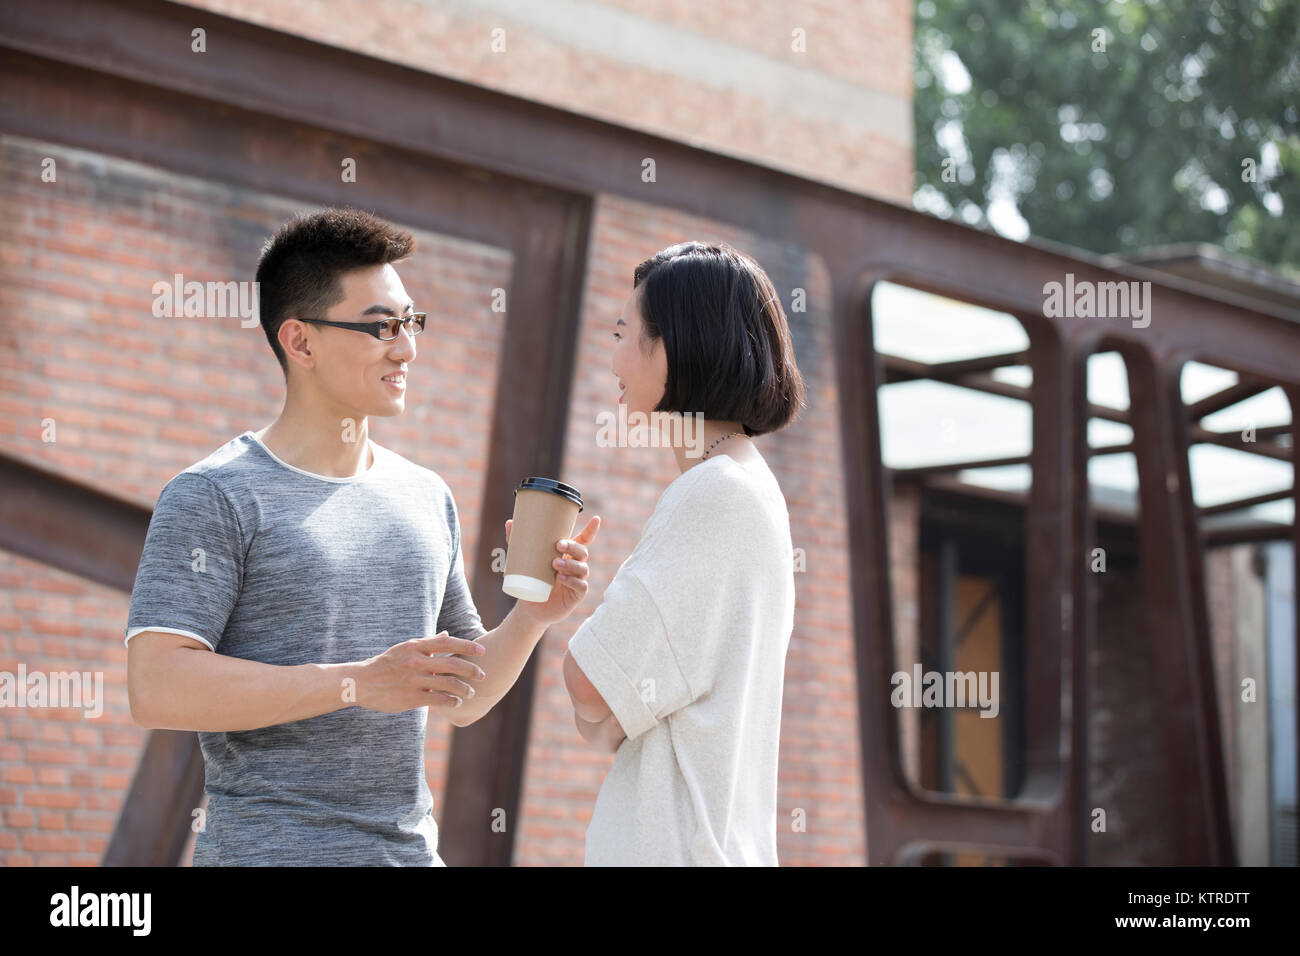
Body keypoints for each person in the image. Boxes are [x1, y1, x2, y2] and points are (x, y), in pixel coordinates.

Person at [125, 208, 599, 865]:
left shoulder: (426, 496)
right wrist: (356, 683)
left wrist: (533, 617)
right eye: (380, 327)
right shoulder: (214, 494)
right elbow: (156, 688)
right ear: (301, 342)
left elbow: (463, 694)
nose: (406, 348)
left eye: (411, 322)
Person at [562, 241, 806, 865]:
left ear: (677, 344)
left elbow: (589, 691)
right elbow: (606, 716)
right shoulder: (748, 487)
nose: (613, 357)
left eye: (625, 332)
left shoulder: (712, 494)